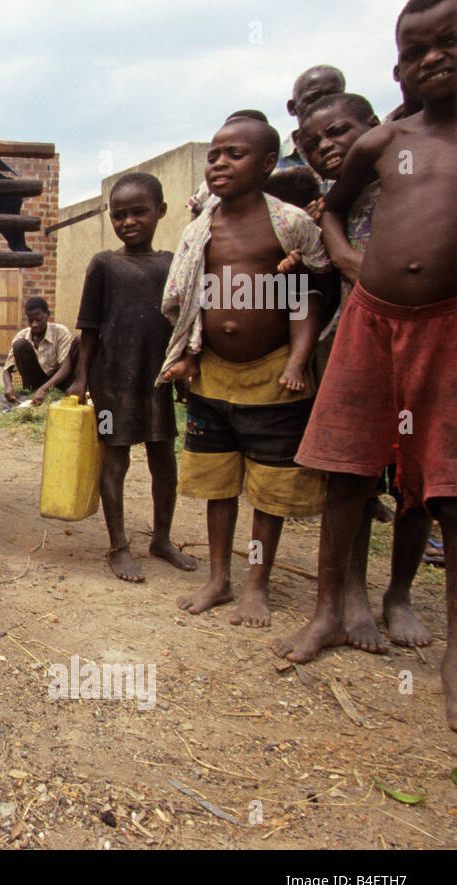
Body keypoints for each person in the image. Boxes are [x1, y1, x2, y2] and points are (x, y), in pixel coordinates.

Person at [275, 0, 457, 734]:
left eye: (449, 43)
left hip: (446, 327)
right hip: (371, 318)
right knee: (345, 468)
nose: (434, 59)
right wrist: (354, 264)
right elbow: (332, 210)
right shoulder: (386, 140)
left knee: (442, 484)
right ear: (398, 69)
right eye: (418, 52)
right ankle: (326, 611)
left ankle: (449, 658)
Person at [158, 117, 335, 627]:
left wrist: (300, 359)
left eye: (234, 154)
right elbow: (189, 299)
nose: (219, 162)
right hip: (213, 374)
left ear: (266, 164)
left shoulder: (289, 225)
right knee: (218, 485)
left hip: (276, 375)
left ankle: (257, 584)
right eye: (214, 154)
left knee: (269, 490)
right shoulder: (200, 230)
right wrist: (189, 353)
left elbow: (311, 293)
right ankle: (218, 578)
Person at [298, 90, 435, 649]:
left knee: (417, 479)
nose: (326, 146)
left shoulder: (417, 172)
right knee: (349, 474)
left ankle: (398, 593)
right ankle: (349, 594)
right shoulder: (333, 202)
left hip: (426, 335)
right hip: (353, 338)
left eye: (338, 132)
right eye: (311, 142)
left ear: (374, 127)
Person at [67, 173, 197, 583]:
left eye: (138, 212)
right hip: (111, 383)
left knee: (164, 461)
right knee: (115, 460)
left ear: (160, 211)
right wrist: (81, 379)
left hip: (155, 381)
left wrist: (181, 377)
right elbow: (88, 329)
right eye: (118, 214)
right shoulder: (104, 264)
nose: (128, 221)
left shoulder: (171, 263)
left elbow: (179, 325)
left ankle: (161, 539)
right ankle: (118, 545)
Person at [1, 297, 76, 406]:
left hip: (59, 382)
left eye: (38, 320)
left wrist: (44, 389)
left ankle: (42, 390)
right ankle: (34, 391)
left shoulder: (60, 332)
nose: (34, 324)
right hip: (35, 382)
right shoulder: (22, 335)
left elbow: (66, 367)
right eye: (30, 321)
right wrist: (8, 385)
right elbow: (7, 369)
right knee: (19, 344)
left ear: (47, 315)